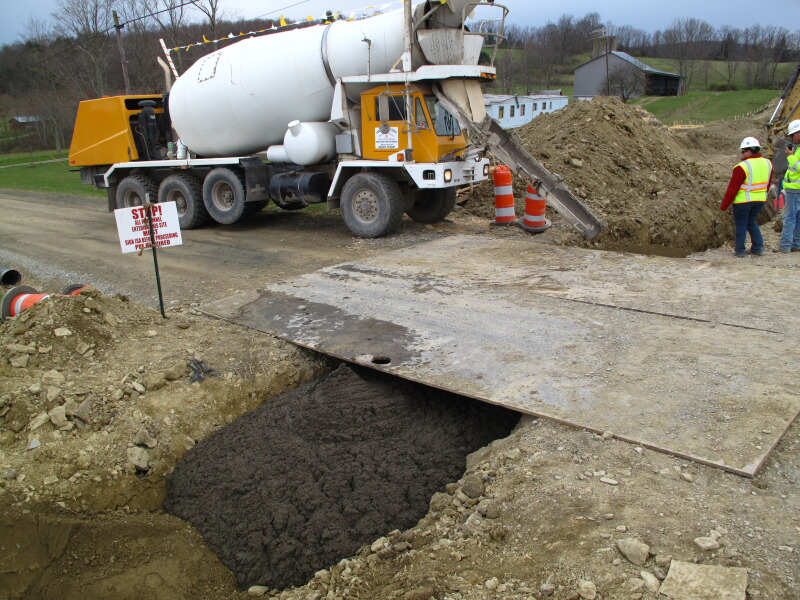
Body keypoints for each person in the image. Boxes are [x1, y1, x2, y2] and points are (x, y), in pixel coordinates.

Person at [720, 137, 772, 257]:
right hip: (760, 200)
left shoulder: (742, 166)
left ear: (749, 151)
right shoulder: (768, 163)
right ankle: (758, 248)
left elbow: (733, 189)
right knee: (751, 222)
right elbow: (768, 183)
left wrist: (724, 206)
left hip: (743, 201)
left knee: (741, 224)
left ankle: (740, 250)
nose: (742, 154)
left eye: (743, 151)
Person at [777, 119, 800, 253]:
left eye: (793, 135)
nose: (791, 138)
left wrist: (790, 157)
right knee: (797, 218)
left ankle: (785, 246)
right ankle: (796, 244)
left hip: (795, 190)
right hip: (795, 189)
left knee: (789, 217)